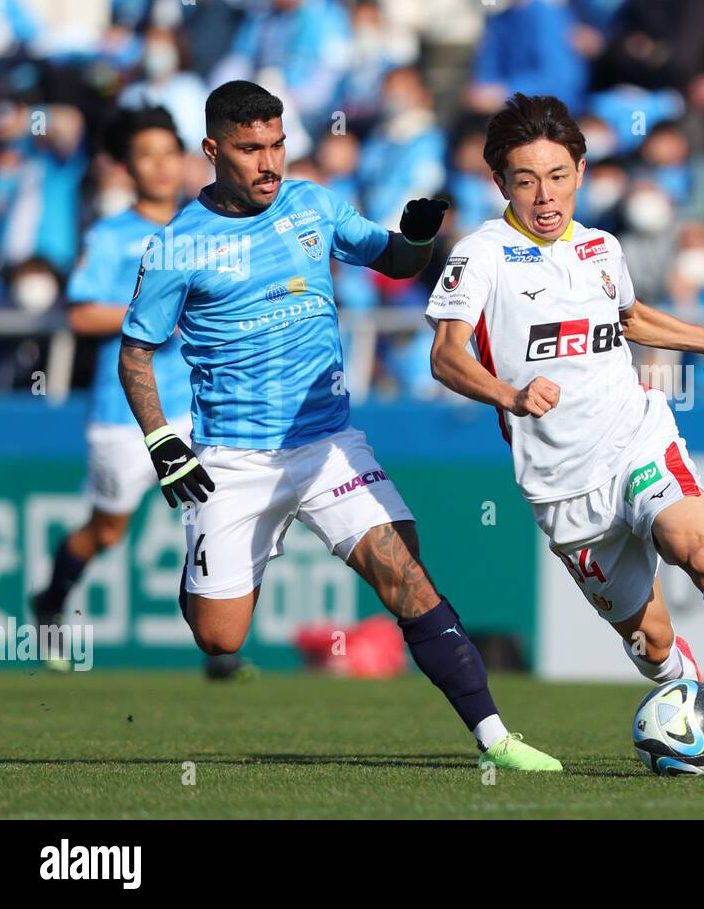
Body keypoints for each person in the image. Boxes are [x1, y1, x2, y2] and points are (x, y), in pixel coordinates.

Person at [119, 80, 558, 770]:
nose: (269, 163)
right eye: (249, 149)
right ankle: (219, 560)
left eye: (277, 145)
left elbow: (396, 260)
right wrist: (160, 439)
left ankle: (495, 738)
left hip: (327, 446)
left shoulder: (311, 204)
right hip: (234, 461)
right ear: (211, 150)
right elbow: (135, 353)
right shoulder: (178, 247)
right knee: (220, 638)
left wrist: (416, 237)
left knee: (408, 578)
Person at [426, 93, 704, 764]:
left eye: (558, 176)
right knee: (649, 642)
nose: (545, 196)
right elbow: (445, 356)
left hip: (636, 436)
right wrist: (510, 393)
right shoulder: (481, 256)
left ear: (581, 171)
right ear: (499, 182)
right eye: (526, 180)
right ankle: (686, 697)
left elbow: (632, 319)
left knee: (697, 545)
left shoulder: (600, 246)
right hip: (562, 487)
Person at [32, 107, 252, 677]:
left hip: (199, 406)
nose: (159, 166)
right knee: (108, 529)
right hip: (125, 409)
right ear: (126, 167)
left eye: (167, 152)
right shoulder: (111, 236)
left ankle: (218, 647)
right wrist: (155, 312)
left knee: (216, 515)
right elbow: (80, 316)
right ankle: (50, 603)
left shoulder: (210, 226)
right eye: (145, 154)